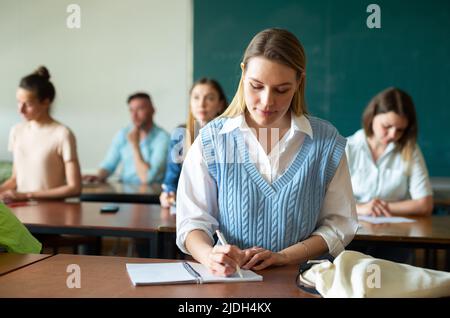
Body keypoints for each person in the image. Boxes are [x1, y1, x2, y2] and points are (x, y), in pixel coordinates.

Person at [176, 28, 358, 277]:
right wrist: (210, 256)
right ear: (243, 74)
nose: (266, 101)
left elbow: (339, 225)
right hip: (231, 281)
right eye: (256, 86)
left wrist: (283, 257)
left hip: (301, 280)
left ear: (299, 82)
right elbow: (191, 222)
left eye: (281, 89)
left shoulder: (326, 143)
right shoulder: (212, 140)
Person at [346, 87, 434, 217]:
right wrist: (360, 208)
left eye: (400, 130)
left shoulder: (410, 150)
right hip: (353, 229)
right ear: (372, 117)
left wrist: (381, 207)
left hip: (396, 232)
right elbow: (327, 202)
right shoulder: (347, 148)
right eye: (386, 126)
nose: (393, 135)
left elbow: (425, 204)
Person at [0, 66, 81, 202]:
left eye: (28, 104)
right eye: (19, 102)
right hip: (21, 211)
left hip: (52, 214)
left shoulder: (62, 134)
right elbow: (15, 179)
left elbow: (74, 188)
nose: (21, 109)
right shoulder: (16, 131)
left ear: (46, 102)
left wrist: (27, 195)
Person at [159, 78, 227, 208]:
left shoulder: (229, 134)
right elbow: (171, 178)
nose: (201, 104)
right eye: (196, 98)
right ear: (190, 103)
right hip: (188, 207)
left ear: (220, 104)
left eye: (210, 98)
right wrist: (168, 193)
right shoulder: (181, 134)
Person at [83, 92, 170, 185]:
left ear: (153, 110)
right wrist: (98, 177)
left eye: (140, 109)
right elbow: (109, 164)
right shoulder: (123, 134)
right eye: (131, 110)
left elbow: (147, 178)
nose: (134, 115)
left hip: (151, 193)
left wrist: (135, 145)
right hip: (124, 189)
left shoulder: (163, 138)